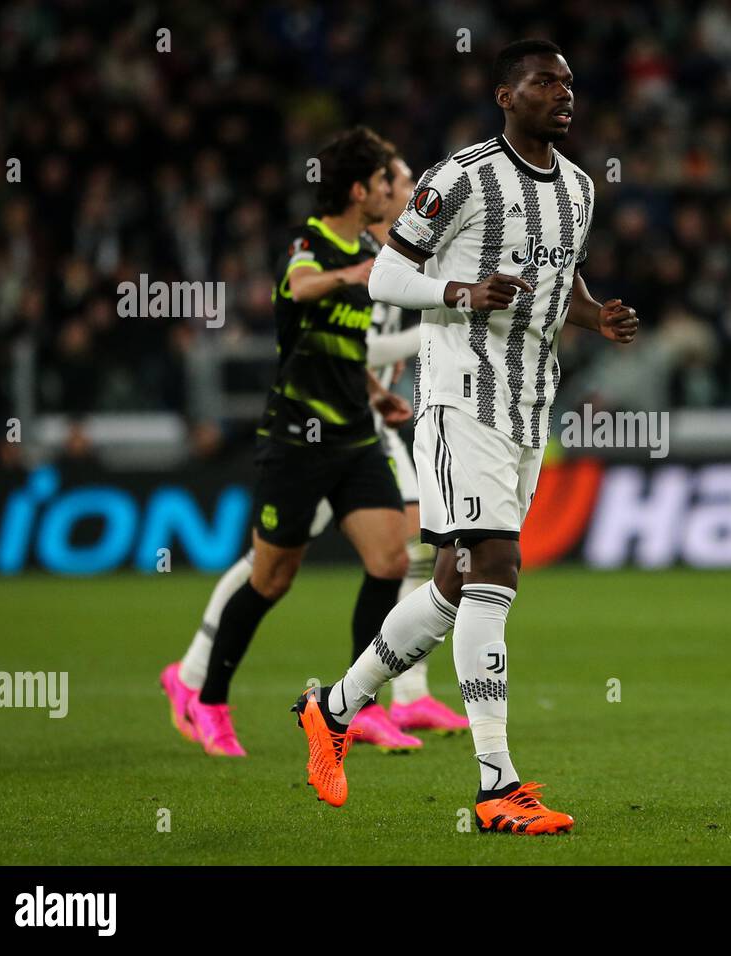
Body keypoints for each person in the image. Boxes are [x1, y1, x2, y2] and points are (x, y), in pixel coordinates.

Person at [292, 39, 639, 835]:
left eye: (570, 80)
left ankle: (332, 709)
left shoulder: (580, 188)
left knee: (453, 584)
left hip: (529, 408)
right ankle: (497, 785)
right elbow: (387, 275)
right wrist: (461, 290)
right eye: (544, 80)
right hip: (460, 400)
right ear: (503, 93)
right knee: (496, 567)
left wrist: (596, 315)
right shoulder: (463, 176)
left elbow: (561, 281)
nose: (563, 91)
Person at [159, 127, 413, 755]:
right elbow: (300, 288)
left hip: (354, 435)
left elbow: (340, 343)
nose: (390, 194)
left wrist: (376, 393)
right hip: (297, 442)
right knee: (271, 579)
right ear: (358, 191)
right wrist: (353, 271)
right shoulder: (312, 244)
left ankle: (353, 705)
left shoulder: (363, 250)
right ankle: (209, 700)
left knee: (391, 560)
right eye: (385, 183)